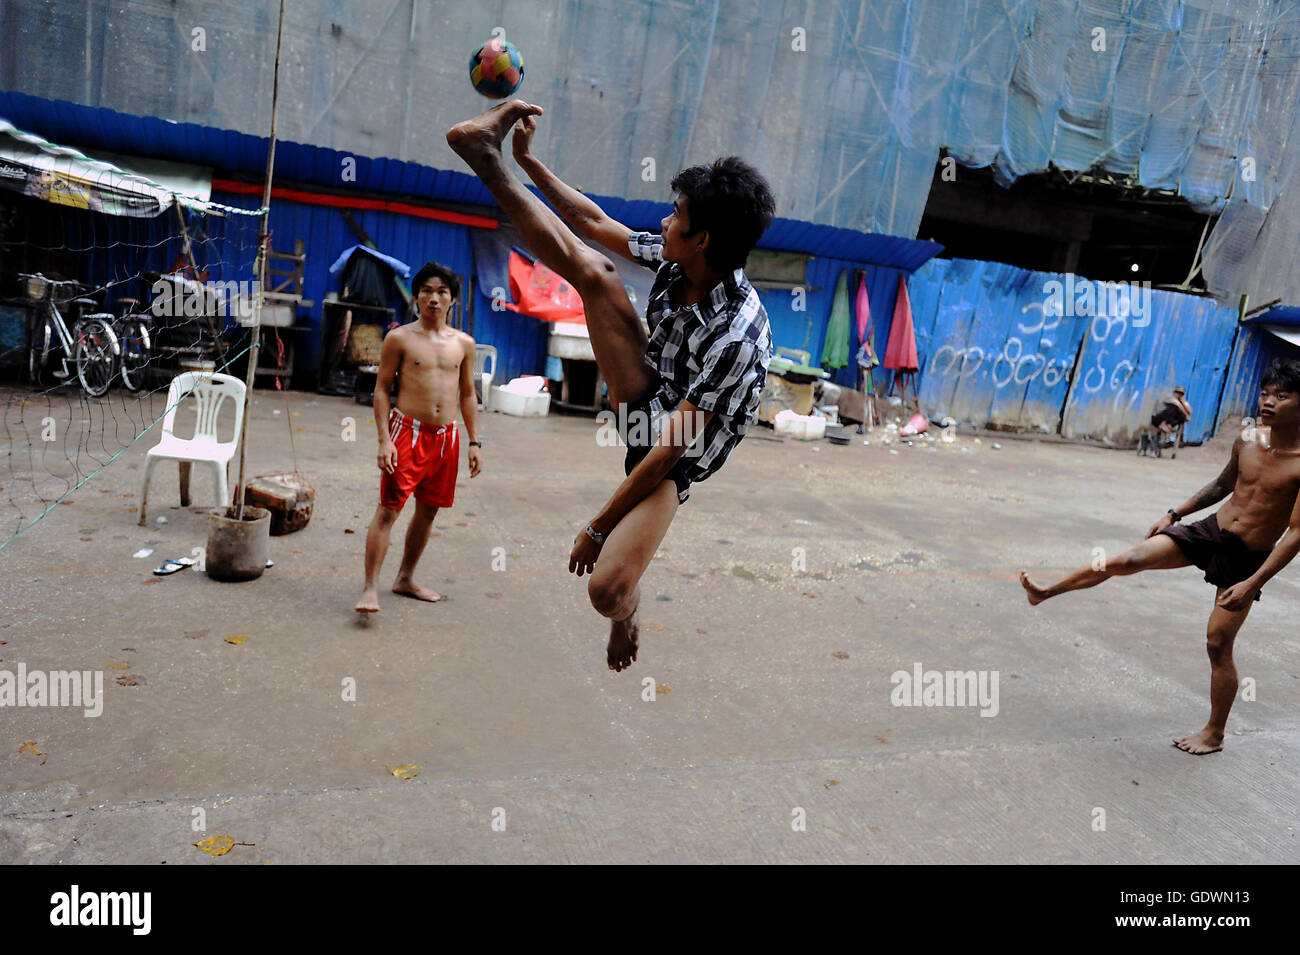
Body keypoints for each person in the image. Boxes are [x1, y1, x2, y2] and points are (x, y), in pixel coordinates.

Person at [446, 100, 774, 672]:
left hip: (675, 456)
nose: (665, 223)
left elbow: (669, 449)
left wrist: (597, 528)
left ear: (704, 240)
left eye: (676, 217)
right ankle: (485, 158)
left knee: (606, 590)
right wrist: (529, 161)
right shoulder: (683, 262)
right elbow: (594, 224)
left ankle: (628, 612)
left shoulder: (740, 336)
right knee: (596, 273)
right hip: (648, 394)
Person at [1020, 358, 1300, 754]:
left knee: (1217, 644)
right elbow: (1221, 484)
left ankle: (1214, 733)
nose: (1268, 402)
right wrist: (1175, 514)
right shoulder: (1248, 439)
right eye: (1266, 393)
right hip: (1210, 530)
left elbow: (1296, 534)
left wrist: (1253, 583)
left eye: (1282, 396)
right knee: (1128, 559)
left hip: (1246, 556)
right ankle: (1046, 591)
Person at [354, 262, 483, 613]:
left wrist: (474, 441)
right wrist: (384, 438)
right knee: (388, 512)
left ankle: (405, 578)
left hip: (446, 439)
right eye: (427, 290)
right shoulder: (400, 338)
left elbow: (468, 394)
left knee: (428, 513)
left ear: (452, 299)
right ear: (416, 297)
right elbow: (381, 389)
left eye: (442, 291)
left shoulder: (464, 344)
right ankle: (369, 589)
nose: (434, 298)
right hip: (407, 434)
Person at [1141, 386, 1192, 455]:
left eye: (1181, 394)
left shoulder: (1181, 401)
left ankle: (1168, 425)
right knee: (1175, 408)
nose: (1178, 395)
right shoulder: (1170, 398)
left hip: (1168, 420)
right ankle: (1164, 424)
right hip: (1157, 418)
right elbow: (1177, 405)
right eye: (1177, 392)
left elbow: (1190, 411)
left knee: (1181, 415)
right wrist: (1186, 415)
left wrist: (1183, 401)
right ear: (1174, 392)